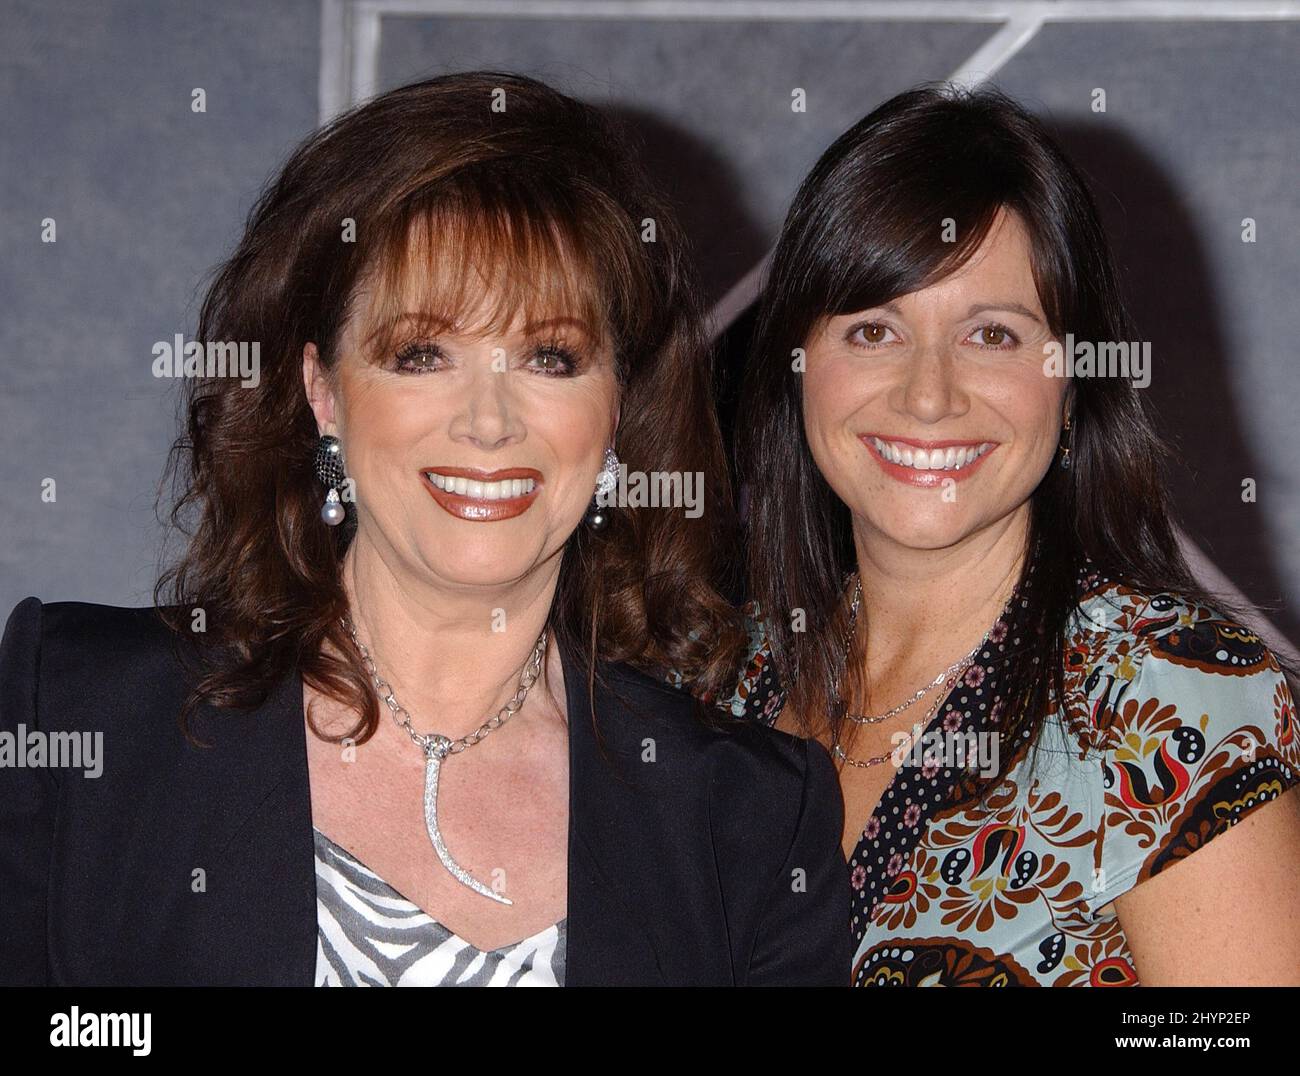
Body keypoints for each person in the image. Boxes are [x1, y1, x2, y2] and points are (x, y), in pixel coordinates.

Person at [0, 72, 849, 987]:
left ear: (618, 411)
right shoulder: (83, 712)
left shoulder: (746, 819)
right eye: (422, 354)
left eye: (549, 358)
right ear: (322, 391)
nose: (489, 422)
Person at [735, 84, 1300, 986]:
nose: (929, 395)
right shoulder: (726, 685)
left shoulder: (1170, 700)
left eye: (993, 335)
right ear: (798, 368)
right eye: (874, 330)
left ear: (1073, 382)